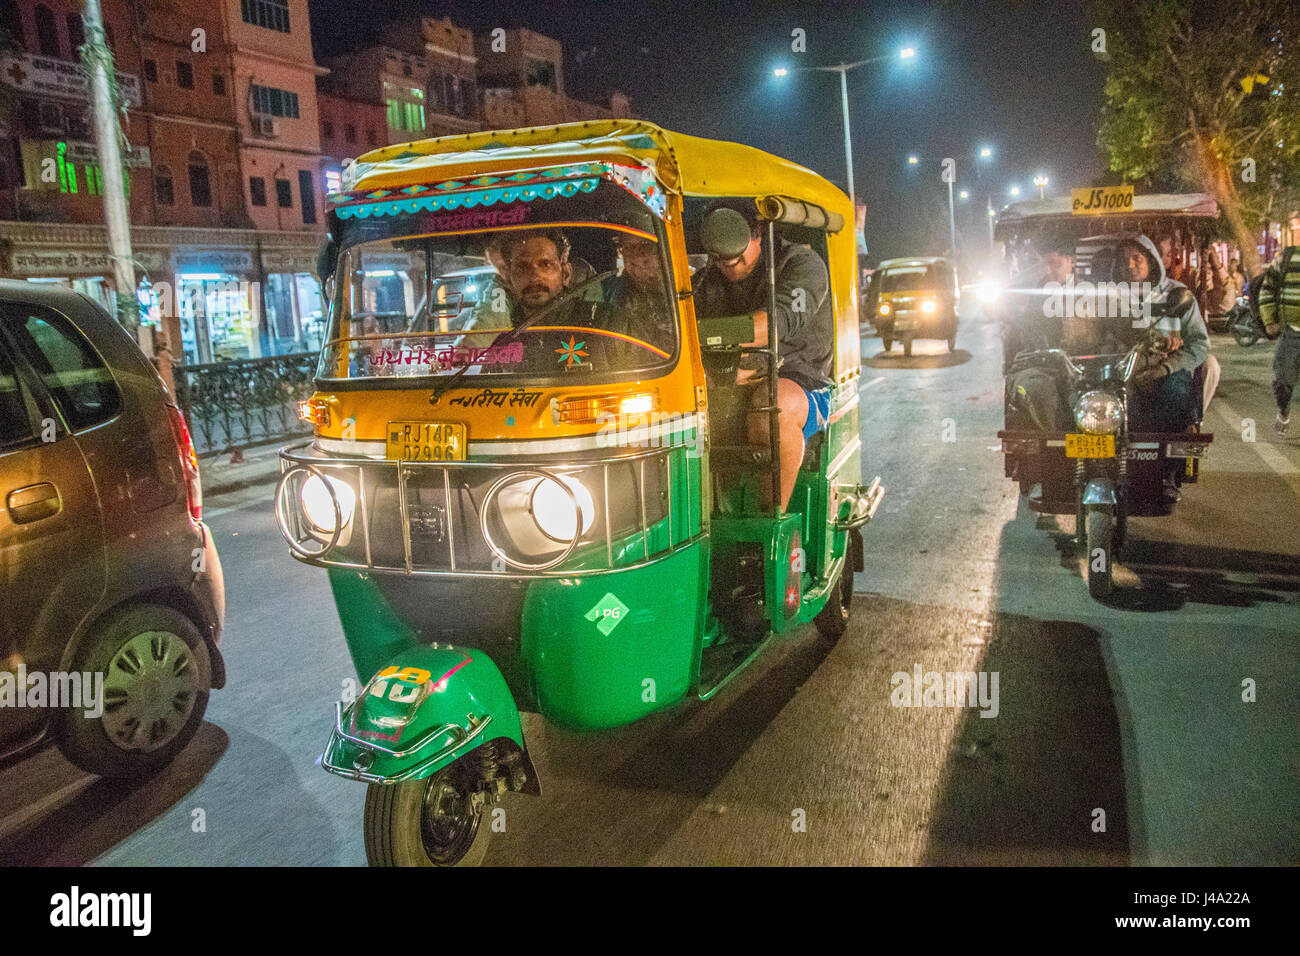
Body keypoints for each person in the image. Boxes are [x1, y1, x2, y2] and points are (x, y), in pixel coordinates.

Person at [691, 200, 833, 510]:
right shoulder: (705, 281)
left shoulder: (801, 265)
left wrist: (701, 334)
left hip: (802, 381)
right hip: (729, 378)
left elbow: (777, 323)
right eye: (720, 261)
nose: (729, 268)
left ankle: (770, 520)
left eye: (737, 259)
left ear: (757, 234)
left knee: (771, 407)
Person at [1259, 245, 1300, 436]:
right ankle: (1283, 411)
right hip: (1290, 332)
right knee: (1282, 380)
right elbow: (1267, 289)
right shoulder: (1286, 257)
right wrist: (1269, 321)